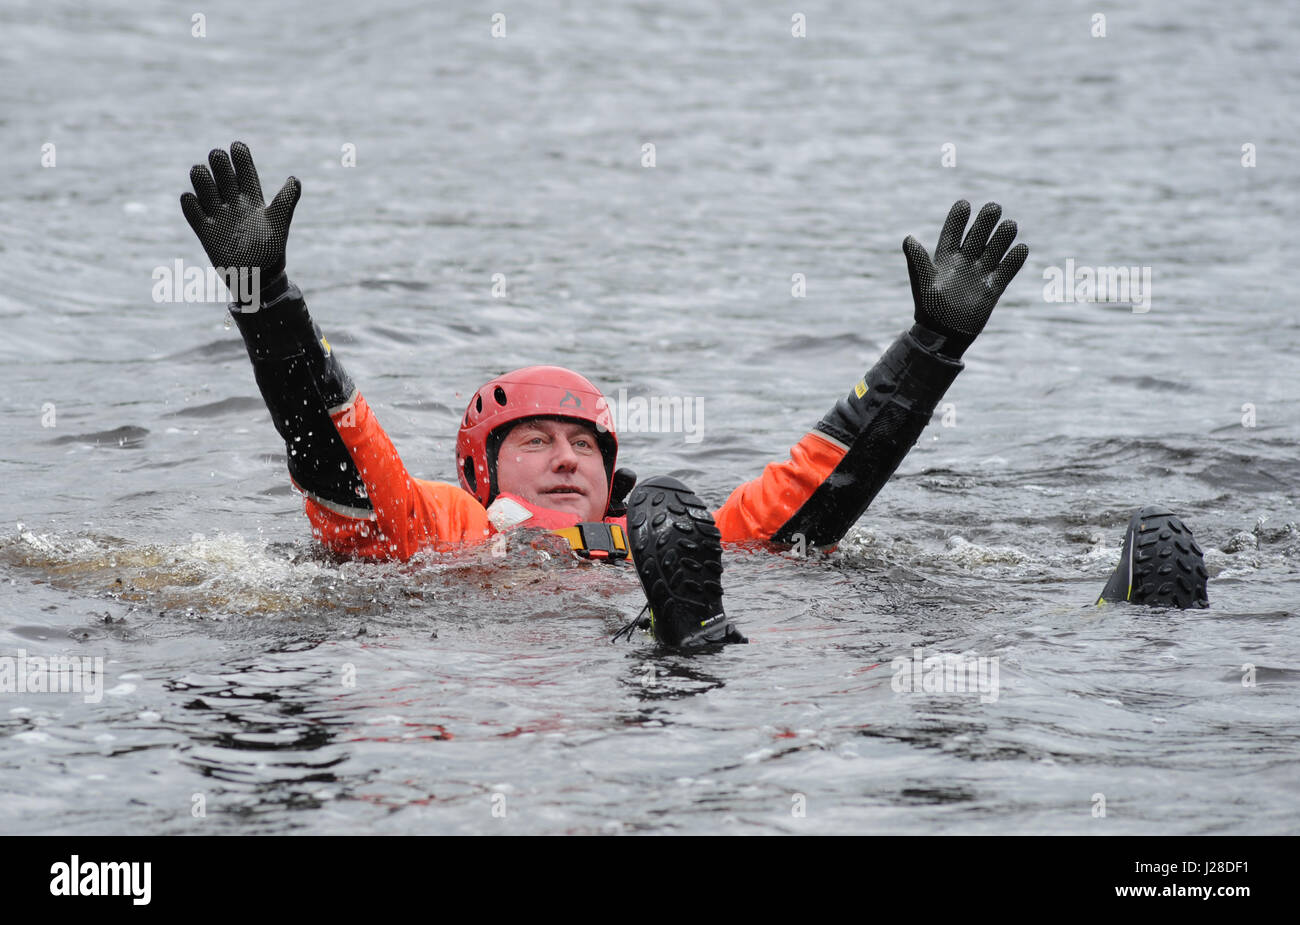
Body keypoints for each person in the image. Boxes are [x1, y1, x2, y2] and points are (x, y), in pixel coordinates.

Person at [181, 142, 1198, 647]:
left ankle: (1123, 629)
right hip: (557, 681)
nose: (566, 457)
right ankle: (684, 637)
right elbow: (337, 451)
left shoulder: (672, 526)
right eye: (533, 441)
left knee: (757, 563)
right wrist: (265, 302)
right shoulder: (446, 529)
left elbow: (821, 479)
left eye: (580, 442)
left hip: (706, 621)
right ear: (477, 469)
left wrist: (930, 348)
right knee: (694, 619)